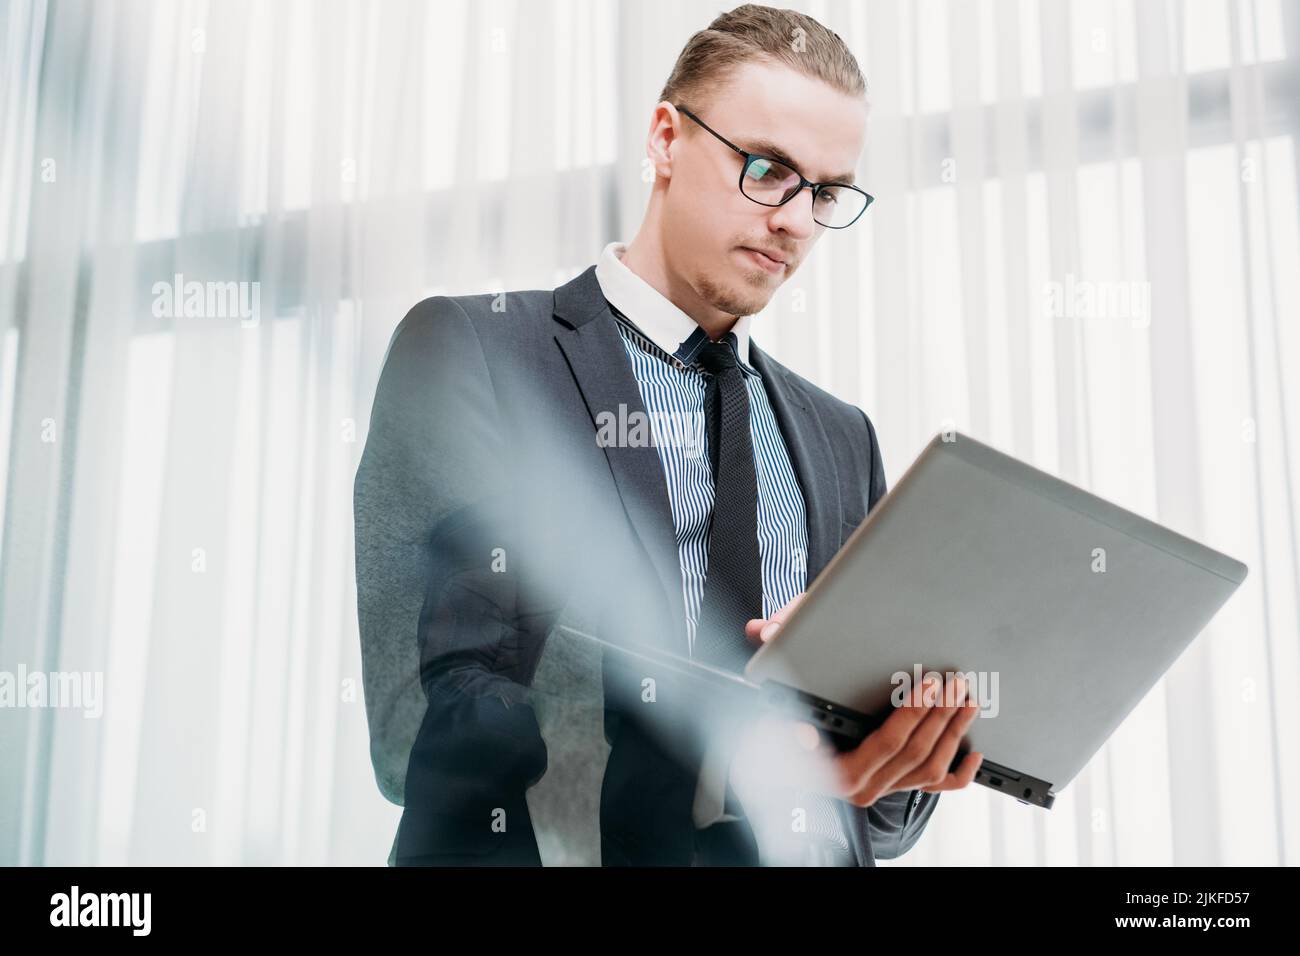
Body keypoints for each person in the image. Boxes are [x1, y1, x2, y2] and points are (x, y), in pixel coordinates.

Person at [354, 3, 982, 867]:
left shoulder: (842, 439)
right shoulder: (477, 354)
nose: (797, 221)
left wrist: (896, 743)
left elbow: (871, 825)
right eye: (768, 170)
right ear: (664, 139)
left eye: (826, 192)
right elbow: (420, 726)